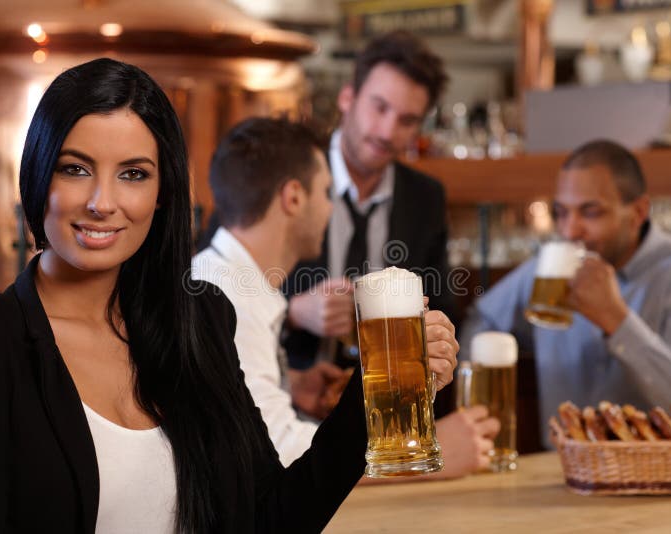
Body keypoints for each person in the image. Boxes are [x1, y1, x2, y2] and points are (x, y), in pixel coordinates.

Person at [0, 58, 454, 534]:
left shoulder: (200, 320)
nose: (102, 202)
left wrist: (369, 397)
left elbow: (271, 519)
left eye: (133, 174)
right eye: (76, 168)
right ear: (39, 174)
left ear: (162, 195)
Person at [193, 117, 498, 477]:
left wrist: (290, 385)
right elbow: (276, 452)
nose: (331, 208)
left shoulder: (224, 281)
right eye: (326, 193)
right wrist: (413, 451)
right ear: (292, 198)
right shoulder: (226, 299)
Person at [460, 140, 671, 443]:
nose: (570, 231)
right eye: (561, 213)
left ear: (639, 212)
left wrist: (618, 321)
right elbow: (482, 318)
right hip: (561, 473)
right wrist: (478, 408)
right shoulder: (550, 267)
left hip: (660, 480)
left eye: (590, 212)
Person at [282, 30, 457, 373]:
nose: (388, 132)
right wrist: (294, 311)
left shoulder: (426, 197)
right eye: (380, 107)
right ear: (348, 98)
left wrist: (439, 339)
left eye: (407, 120)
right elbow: (214, 293)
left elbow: (442, 305)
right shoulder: (286, 174)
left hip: (388, 398)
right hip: (286, 397)